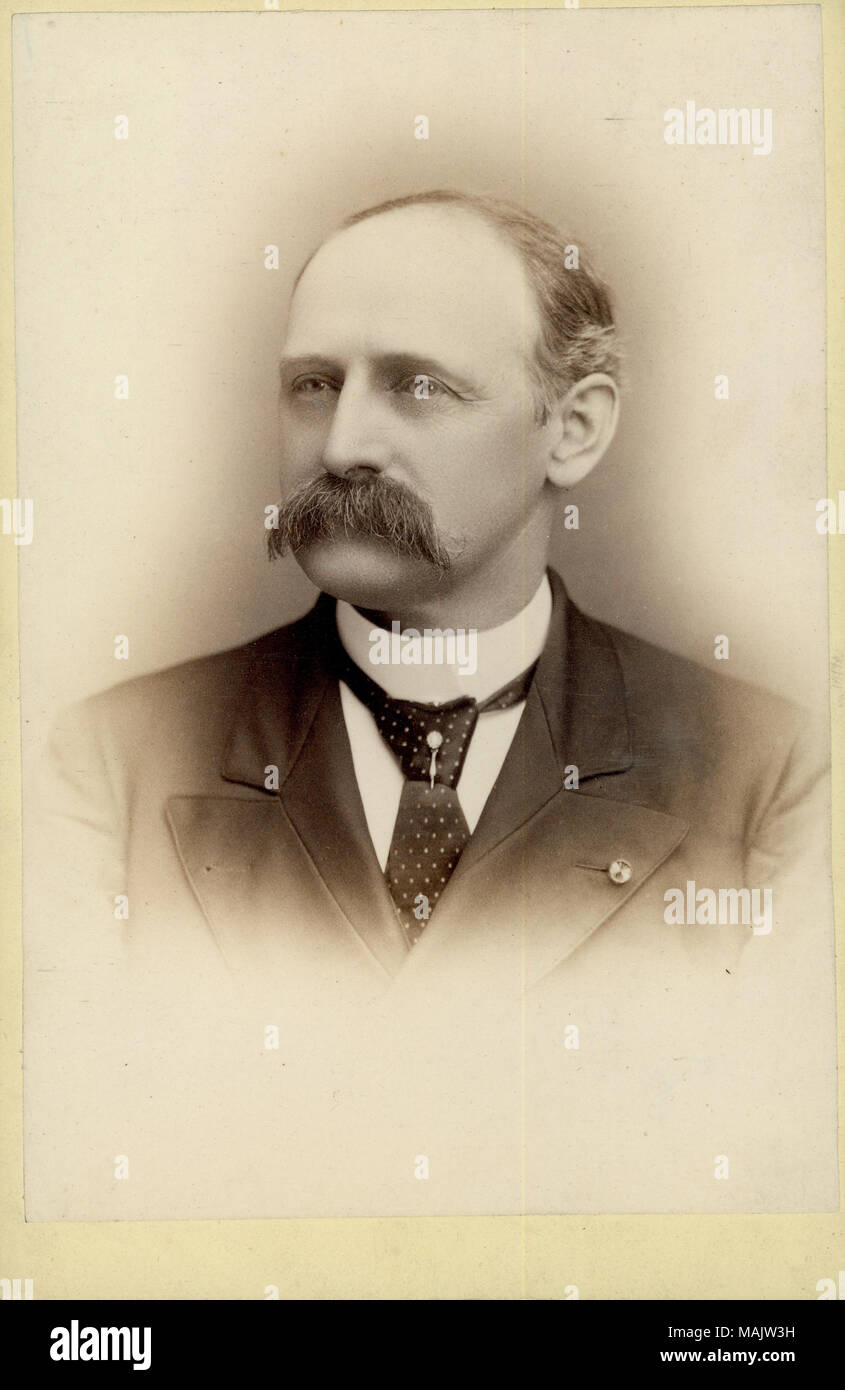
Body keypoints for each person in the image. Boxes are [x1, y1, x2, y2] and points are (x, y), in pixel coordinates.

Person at [30, 190, 836, 1217]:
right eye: (313, 384)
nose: (339, 447)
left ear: (573, 431)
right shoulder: (112, 760)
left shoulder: (763, 769)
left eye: (416, 386)